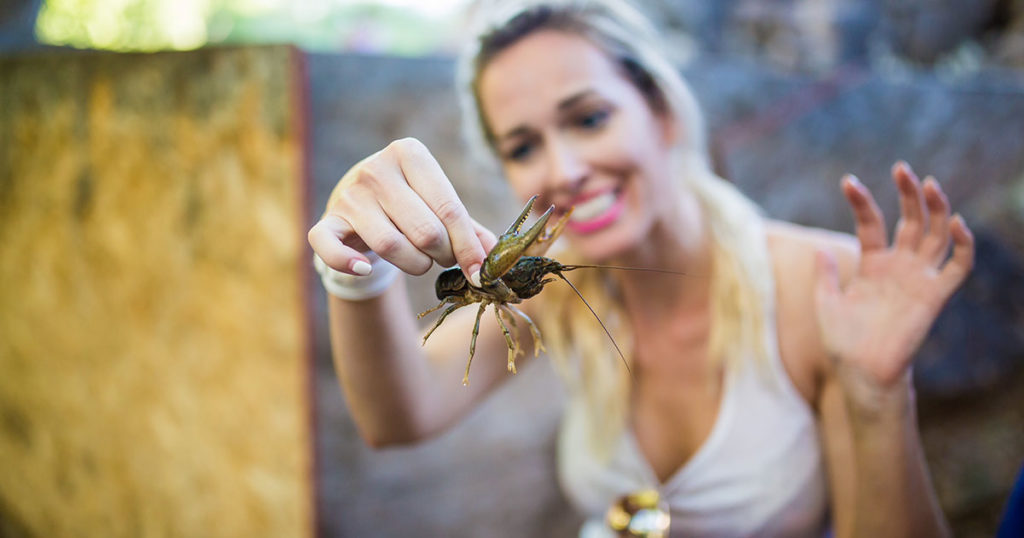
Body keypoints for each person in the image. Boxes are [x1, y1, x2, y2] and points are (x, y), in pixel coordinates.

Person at [306, 0, 975, 535]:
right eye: (522, 145)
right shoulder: (554, 288)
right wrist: (356, 268)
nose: (563, 170)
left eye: (590, 118)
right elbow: (399, 418)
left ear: (660, 111)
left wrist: (877, 397)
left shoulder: (827, 286)